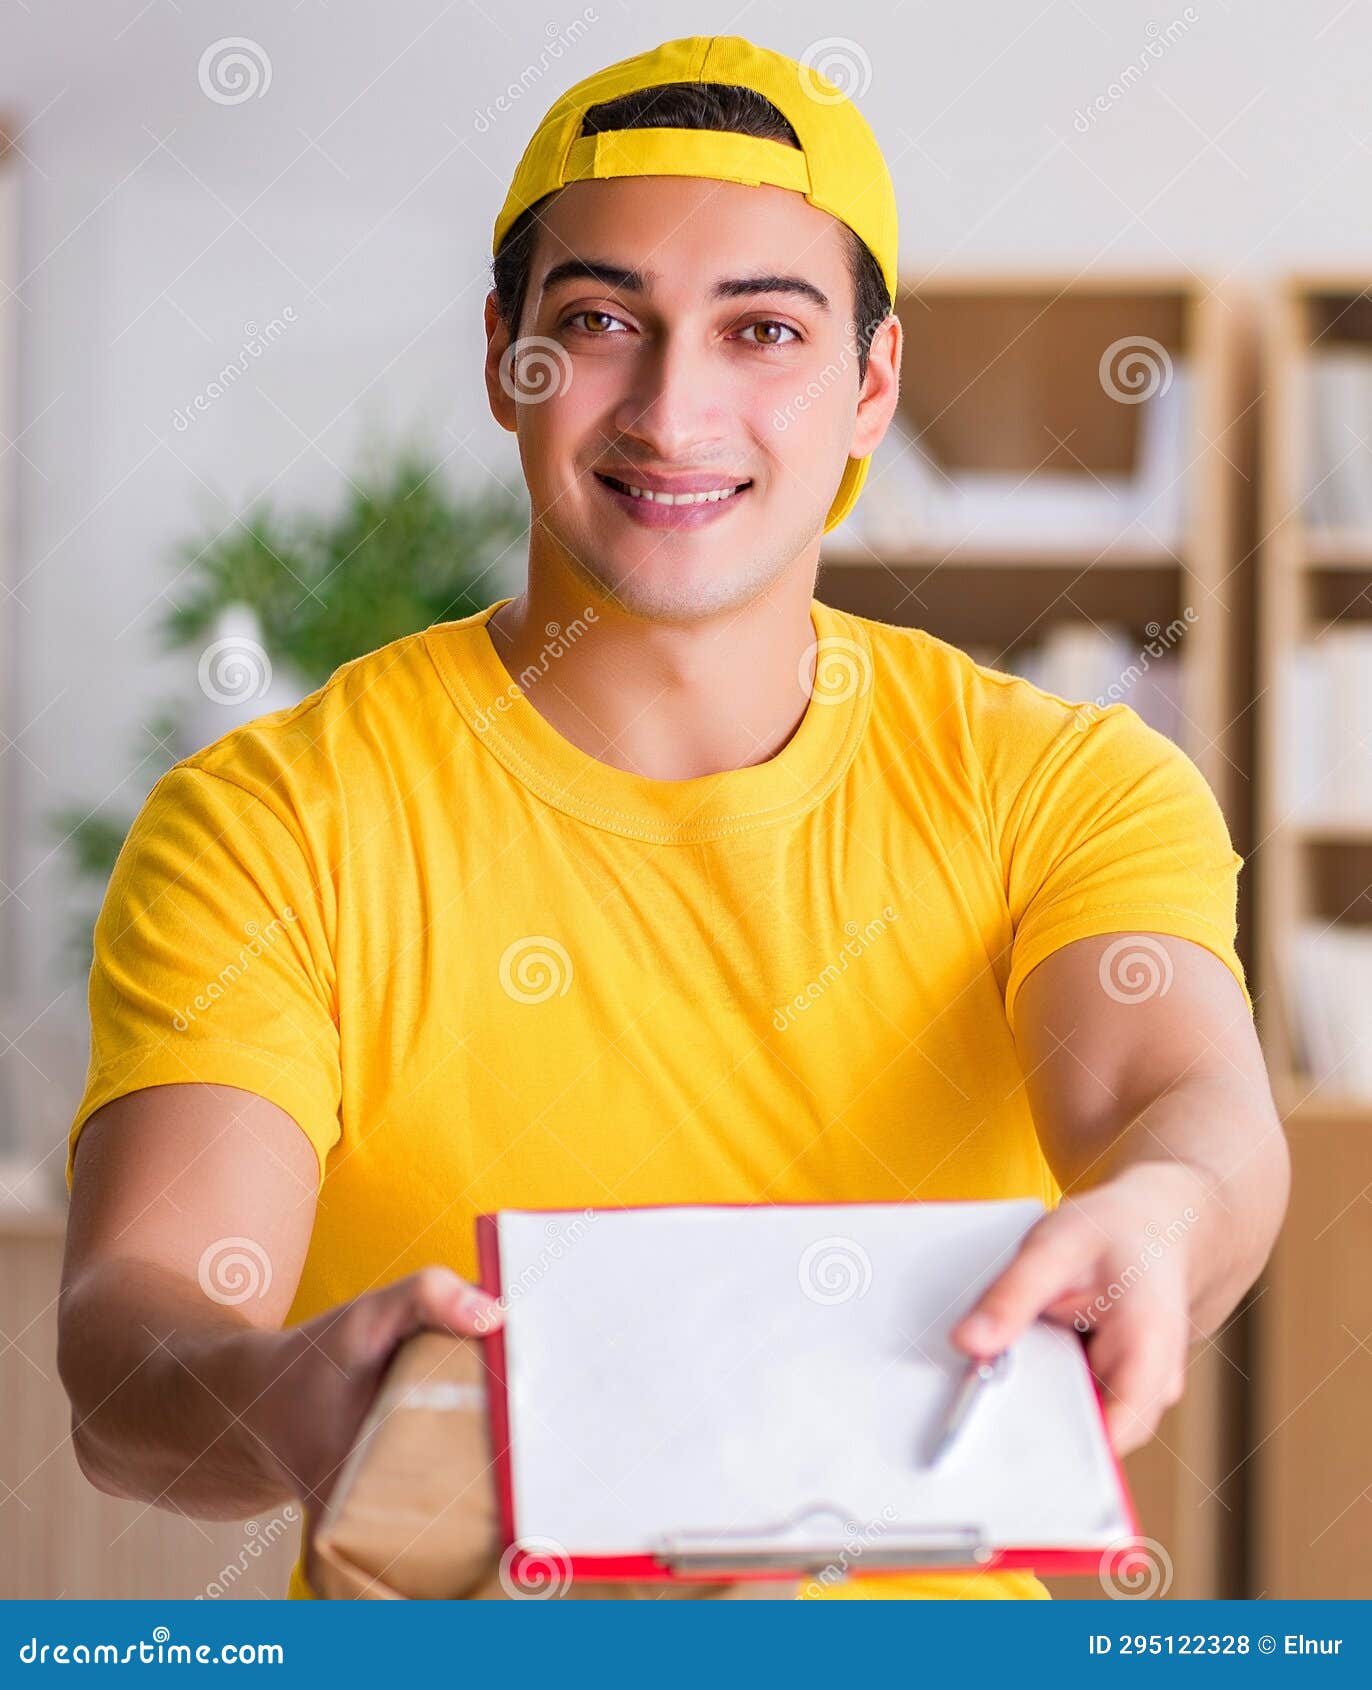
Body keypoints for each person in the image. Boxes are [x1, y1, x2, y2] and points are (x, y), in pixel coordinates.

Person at [57, 34, 1289, 1602]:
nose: (671, 406)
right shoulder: (272, 819)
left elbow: (1185, 1107)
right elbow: (137, 1323)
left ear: (872, 383)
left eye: (762, 328)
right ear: (503, 353)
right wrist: (291, 1399)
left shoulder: (1065, 784)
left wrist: (1166, 1216)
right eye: (598, 321)